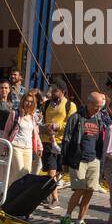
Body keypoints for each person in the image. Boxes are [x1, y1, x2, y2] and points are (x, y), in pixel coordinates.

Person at [60, 91, 108, 224]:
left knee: (90, 190)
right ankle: (67, 216)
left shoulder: (99, 118)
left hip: (94, 159)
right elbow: (67, 139)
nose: (98, 109)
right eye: (96, 106)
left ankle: (80, 220)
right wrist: (64, 161)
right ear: (89, 103)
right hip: (78, 159)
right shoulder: (76, 118)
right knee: (80, 188)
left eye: (100, 106)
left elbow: (102, 138)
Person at [39, 82, 76, 212]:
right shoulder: (46, 104)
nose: (52, 92)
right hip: (47, 141)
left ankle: (48, 193)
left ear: (62, 91)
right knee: (51, 170)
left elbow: (71, 124)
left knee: (59, 171)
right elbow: (41, 120)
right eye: (51, 90)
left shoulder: (70, 106)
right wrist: (44, 127)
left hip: (62, 142)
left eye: (55, 90)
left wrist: (56, 126)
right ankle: (55, 199)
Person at [1, 92, 42, 183]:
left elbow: (36, 134)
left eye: (31, 102)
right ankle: (9, 191)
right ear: (23, 102)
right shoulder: (15, 114)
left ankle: (16, 193)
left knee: (26, 173)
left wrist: (39, 147)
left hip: (28, 148)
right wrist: (4, 147)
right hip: (16, 146)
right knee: (19, 171)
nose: (28, 104)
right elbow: (6, 131)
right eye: (26, 101)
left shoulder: (33, 117)